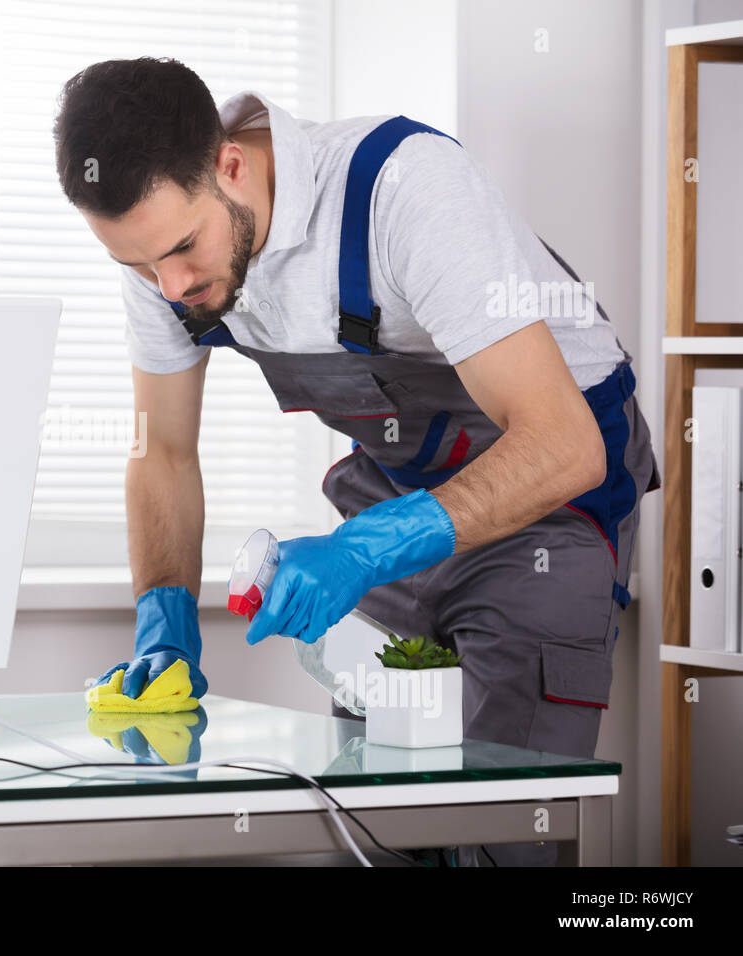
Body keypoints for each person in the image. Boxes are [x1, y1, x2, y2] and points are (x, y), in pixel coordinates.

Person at [52, 57, 659, 866]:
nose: (171, 286)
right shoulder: (159, 249)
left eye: (182, 250)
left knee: (499, 827)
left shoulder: (401, 191)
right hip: (399, 492)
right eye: (138, 267)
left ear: (230, 163)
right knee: (375, 821)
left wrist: (361, 551)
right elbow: (162, 450)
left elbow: (563, 443)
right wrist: (163, 621)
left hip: (546, 503)